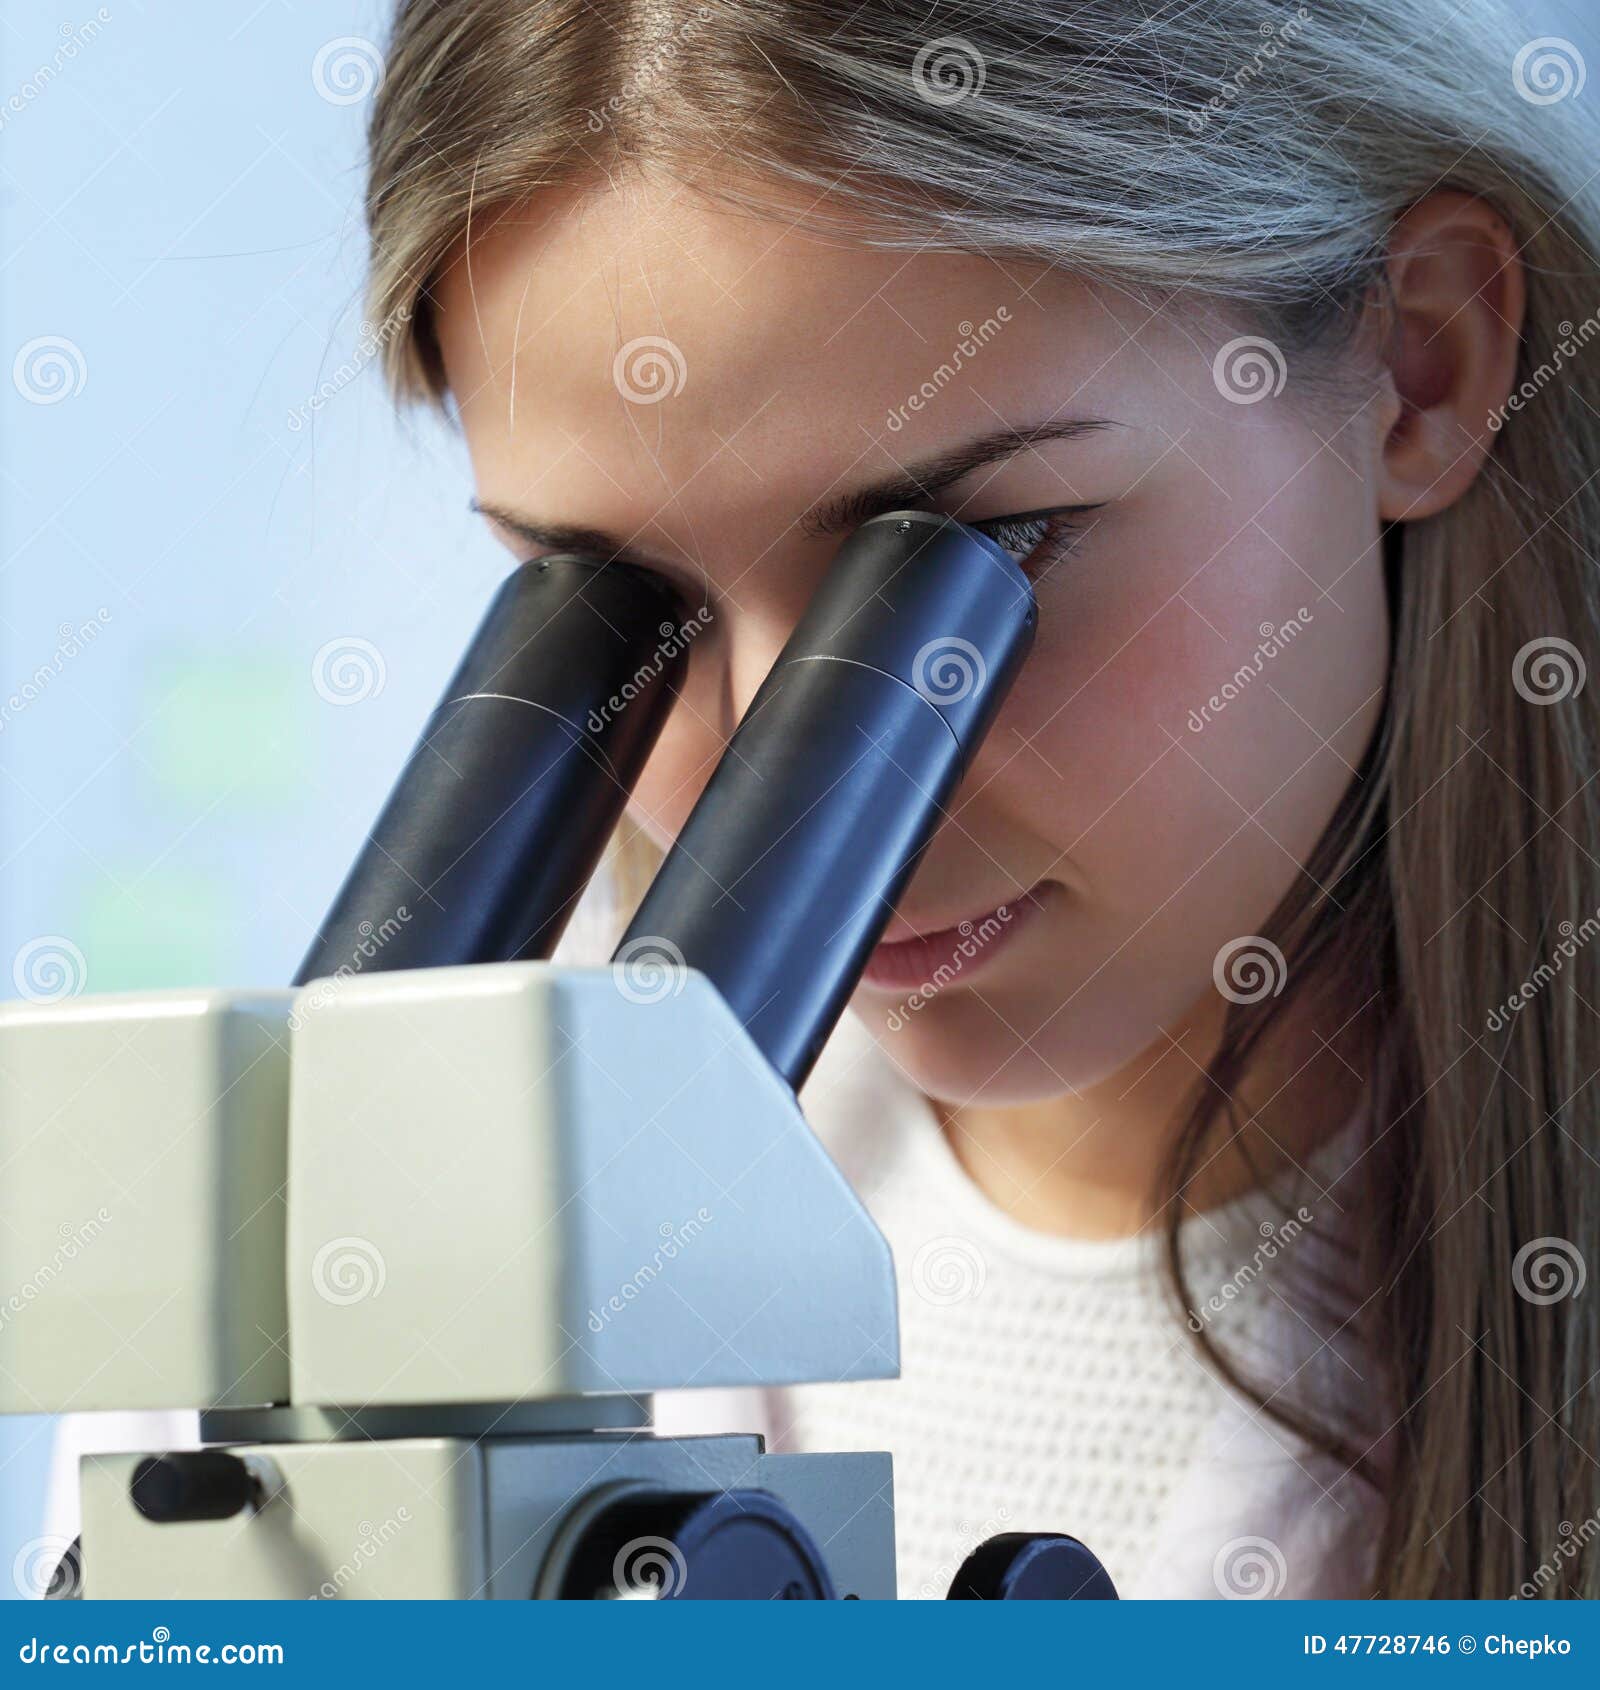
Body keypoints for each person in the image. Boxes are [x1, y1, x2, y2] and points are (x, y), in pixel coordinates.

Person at [362, 0, 1600, 1597]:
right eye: (613, 605)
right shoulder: (376, 1264)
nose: (774, 795)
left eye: (969, 559)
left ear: (1418, 364)